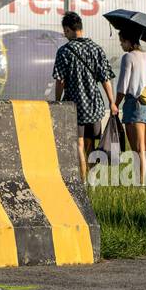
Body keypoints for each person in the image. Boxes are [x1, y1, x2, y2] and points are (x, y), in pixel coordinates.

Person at [52, 11, 117, 176]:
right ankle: (92, 178)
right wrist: (112, 102)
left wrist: (57, 101)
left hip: (75, 107)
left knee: (79, 145)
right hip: (94, 106)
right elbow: (105, 78)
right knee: (92, 143)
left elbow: (60, 81)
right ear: (80, 27)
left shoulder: (64, 51)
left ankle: (83, 181)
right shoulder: (96, 49)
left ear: (67, 30)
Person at [114, 27, 146, 185]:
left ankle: (140, 186)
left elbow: (123, 86)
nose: (121, 45)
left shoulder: (128, 57)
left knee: (138, 150)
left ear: (128, 41)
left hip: (135, 104)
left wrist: (115, 104)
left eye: (122, 41)